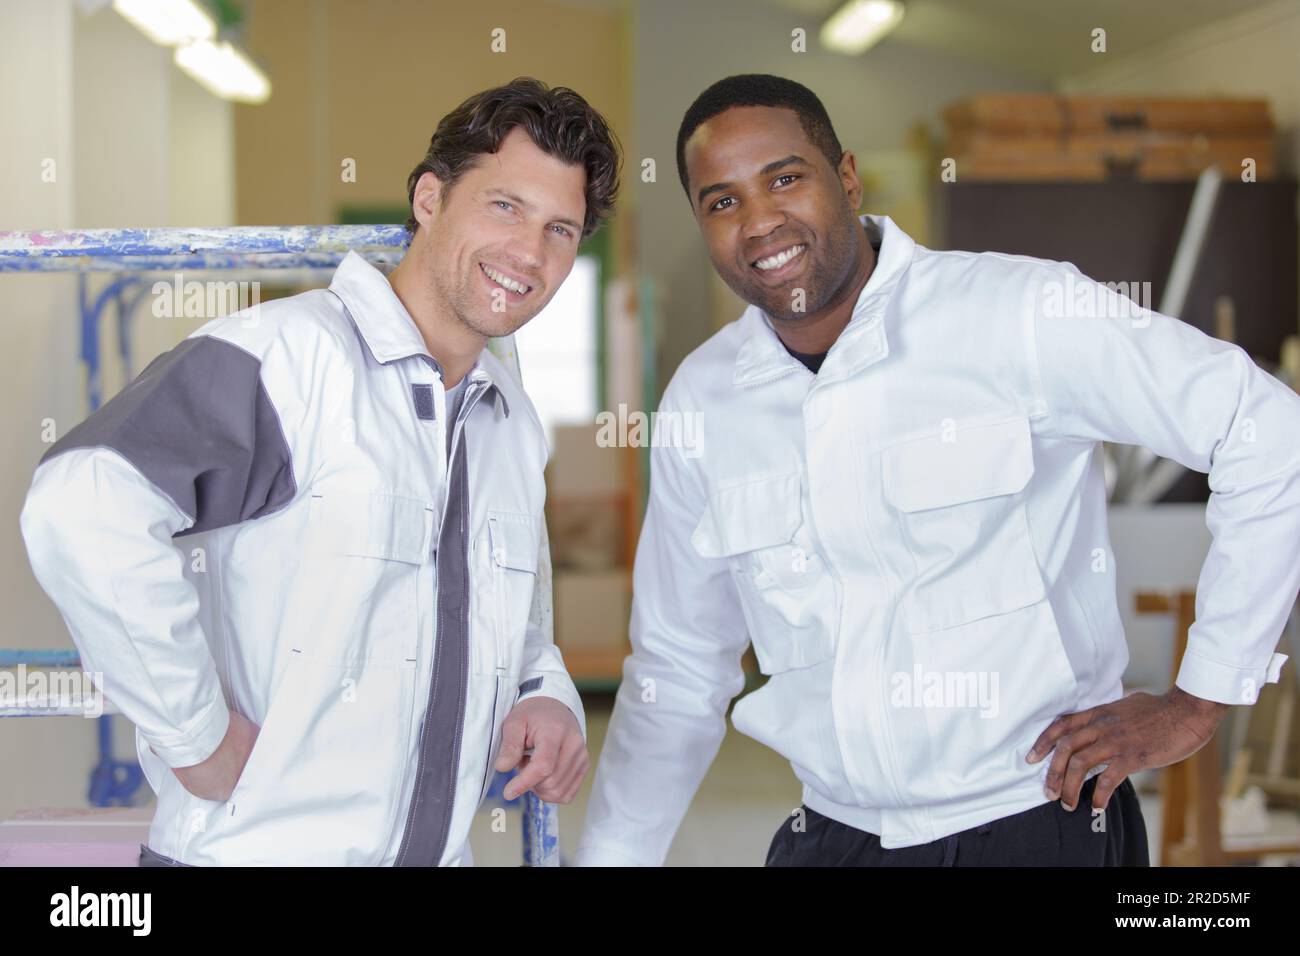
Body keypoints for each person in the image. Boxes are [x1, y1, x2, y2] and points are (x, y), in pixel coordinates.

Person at [576, 73, 1299, 866]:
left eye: (785, 178)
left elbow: (1267, 430)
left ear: (845, 178)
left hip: (1038, 827)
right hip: (834, 839)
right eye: (722, 201)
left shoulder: (1015, 314)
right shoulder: (704, 401)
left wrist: (1202, 698)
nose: (760, 222)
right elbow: (678, 667)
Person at [21, 77, 620, 866]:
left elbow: (505, 611)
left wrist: (544, 692)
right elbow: (79, 504)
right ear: (431, 199)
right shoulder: (286, 360)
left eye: (561, 230)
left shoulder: (509, 416)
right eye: (505, 207)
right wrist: (194, 735)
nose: (529, 254)